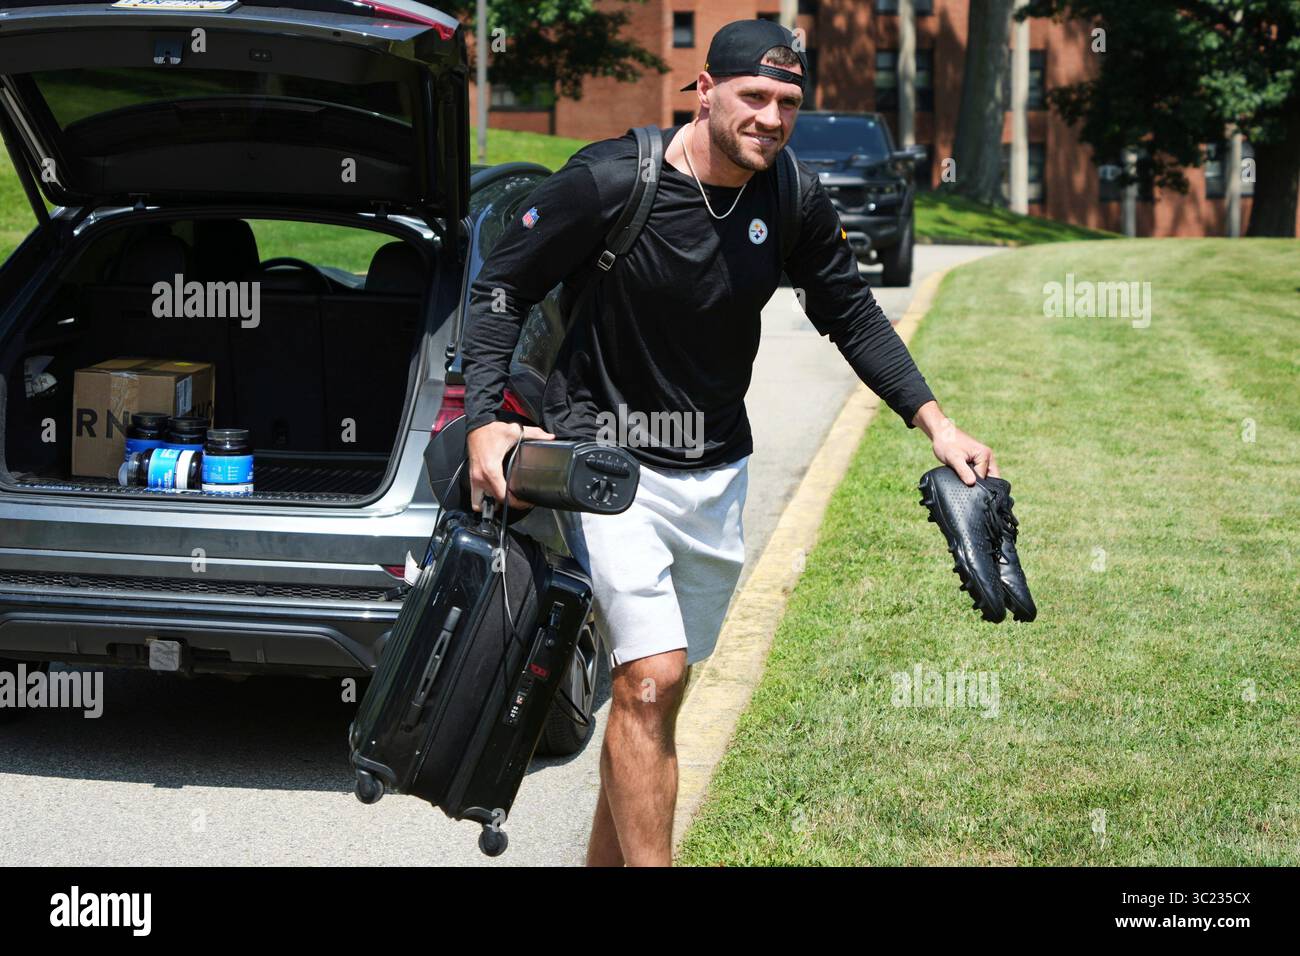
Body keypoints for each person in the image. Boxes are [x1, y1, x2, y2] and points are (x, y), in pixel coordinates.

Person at [460, 19, 999, 866]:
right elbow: (501, 283)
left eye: (788, 102)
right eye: (754, 96)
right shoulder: (609, 178)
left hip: (717, 473)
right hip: (607, 465)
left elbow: (850, 313)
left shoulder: (790, 196)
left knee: (654, 700)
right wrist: (483, 416)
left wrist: (936, 422)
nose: (772, 118)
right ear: (704, 89)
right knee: (651, 678)